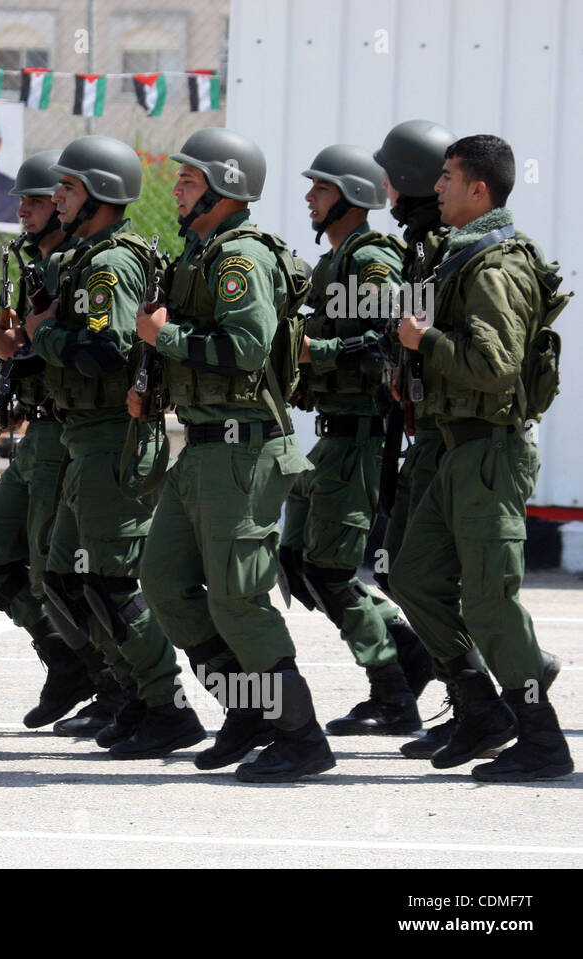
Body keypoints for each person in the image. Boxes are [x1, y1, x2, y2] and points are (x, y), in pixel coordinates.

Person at [134, 127, 336, 782]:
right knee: (165, 581)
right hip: (203, 447)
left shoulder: (239, 258)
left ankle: (302, 735)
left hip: (244, 451)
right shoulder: (201, 253)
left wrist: (166, 337)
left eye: (189, 179)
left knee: (239, 598)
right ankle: (246, 710)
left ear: (225, 188)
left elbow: (245, 349)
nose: (177, 188)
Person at [15, 135, 204, 759]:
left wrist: (42, 338)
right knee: (67, 579)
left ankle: (167, 707)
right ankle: (131, 697)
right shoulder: (84, 257)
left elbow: (106, 351)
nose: (56, 197)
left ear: (98, 194)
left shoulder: (108, 264)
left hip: (112, 440)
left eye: (68, 188)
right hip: (84, 436)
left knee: (112, 581)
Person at [391, 134, 573, 781]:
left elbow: (494, 369)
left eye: (447, 178)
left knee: (491, 601)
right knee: (412, 578)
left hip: (489, 453)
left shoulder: (495, 266)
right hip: (455, 450)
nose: (435, 188)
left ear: (480, 189)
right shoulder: (461, 256)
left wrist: (425, 339)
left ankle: (543, 739)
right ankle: (479, 709)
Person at [278, 144, 430, 737]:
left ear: (352, 196)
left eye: (320, 187)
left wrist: (315, 352)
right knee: (298, 562)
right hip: (332, 436)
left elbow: (385, 343)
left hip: (363, 436)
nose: (310, 197)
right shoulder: (335, 260)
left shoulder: (369, 261)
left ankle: (392, 695)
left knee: (330, 569)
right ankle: (408, 652)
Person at [0, 149, 94, 730]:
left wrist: (28, 348)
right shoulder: (34, 265)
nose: (24, 209)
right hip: (37, 428)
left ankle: (112, 680)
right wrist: (11, 368)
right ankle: (67, 662)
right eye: (23, 199)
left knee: (60, 573)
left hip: (69, 434)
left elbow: (95, 352)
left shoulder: (79, 266)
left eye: (38, 200)